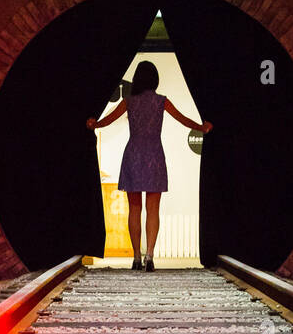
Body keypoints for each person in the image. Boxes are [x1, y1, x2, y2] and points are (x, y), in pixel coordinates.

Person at [87, 60, 213, 271]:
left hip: (133, 155)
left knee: (134, 209)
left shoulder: (129, 101)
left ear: (137, 79)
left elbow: (106, 121)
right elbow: (183, 119)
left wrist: (93, 124)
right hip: (155, 155)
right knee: (153, 209)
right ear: (155, 80)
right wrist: (202, 127)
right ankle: (150, 257)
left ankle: (136, 258)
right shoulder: (161, 101)